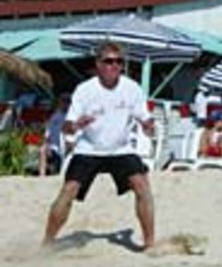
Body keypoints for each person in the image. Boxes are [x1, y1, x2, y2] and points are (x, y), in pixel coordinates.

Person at [42, 42, 157, 251]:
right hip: (89, 148)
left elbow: (145, 119)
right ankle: (48, 241)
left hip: (120, 149)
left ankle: (150, 244)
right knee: (68, 191)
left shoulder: (131, 88)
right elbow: (67, 128)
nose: (114, 66)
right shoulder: (85, 90)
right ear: (98, 64)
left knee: (143, 187)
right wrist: (77, 124)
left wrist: (148, 125)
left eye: (118, 61)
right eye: (108, 61)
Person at [38, 94, 72, 177]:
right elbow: (48, 134)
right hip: (55, 147)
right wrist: (46, 144)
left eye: (67, 102)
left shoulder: (72, 116)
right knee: (42, 149)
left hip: (68, 145)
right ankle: (42, 175)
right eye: (63, 101)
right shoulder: (55, 117)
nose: (65, 104)